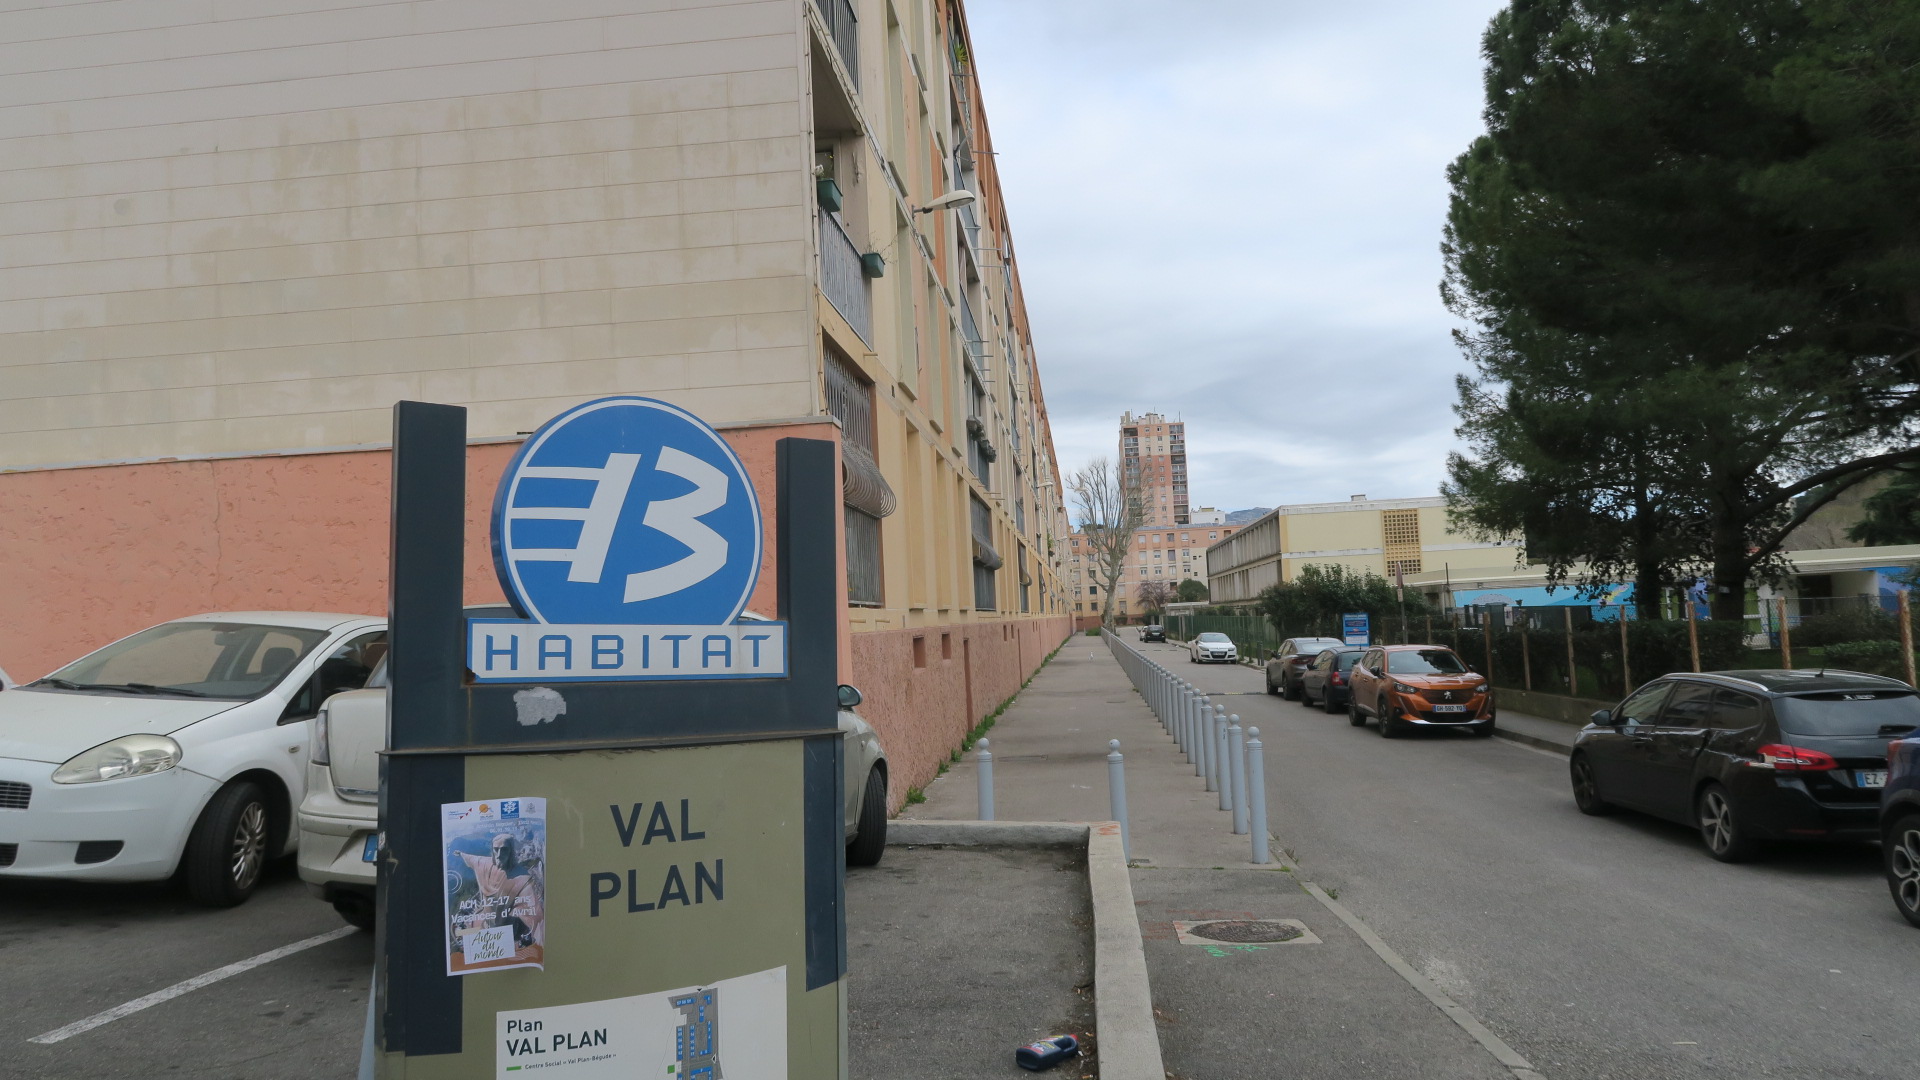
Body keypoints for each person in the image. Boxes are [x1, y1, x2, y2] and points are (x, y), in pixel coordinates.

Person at [458, 834, 544, 950]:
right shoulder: (484, 864)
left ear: (511, 851)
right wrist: (461, 854)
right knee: (463, 937)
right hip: (486, 925)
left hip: (509, 931)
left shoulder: (522, 878)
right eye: (496, 850)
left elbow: (535, 914)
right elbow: (471, 858)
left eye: (504, 850)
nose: (499, 855)